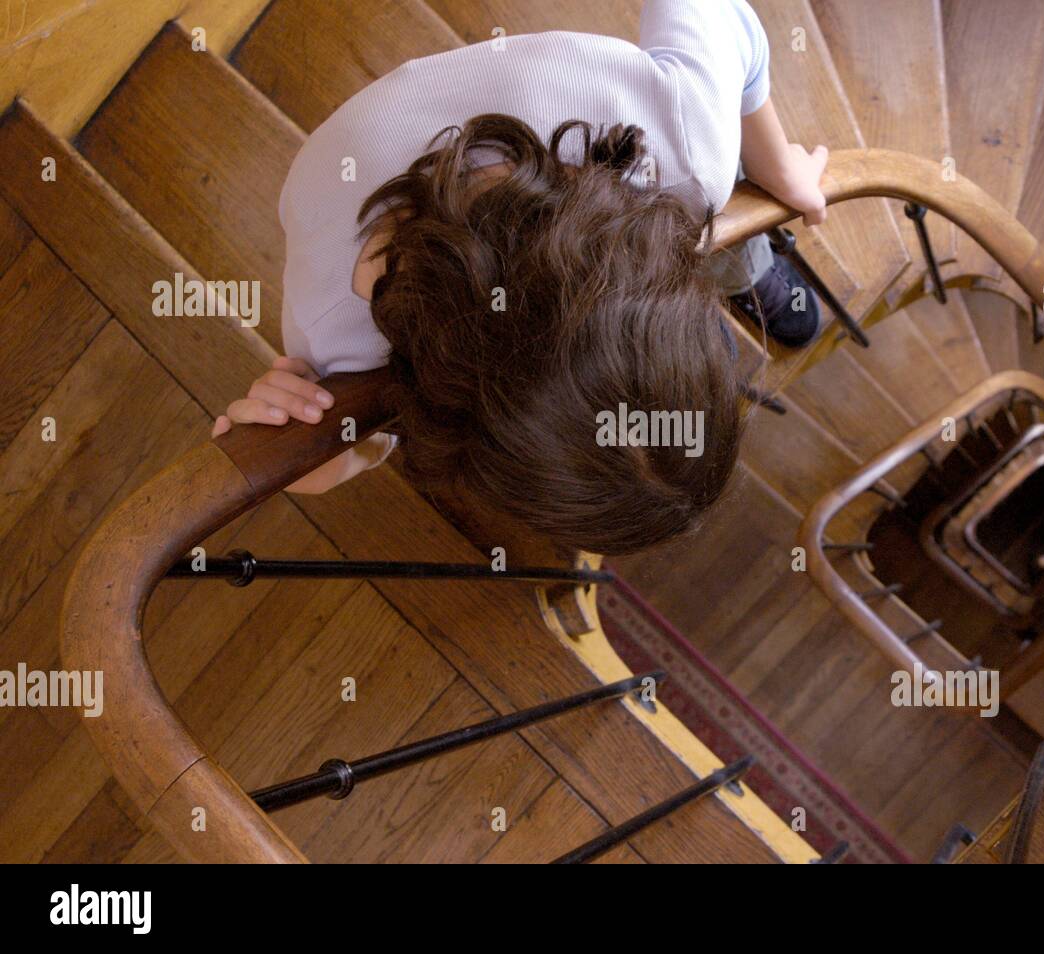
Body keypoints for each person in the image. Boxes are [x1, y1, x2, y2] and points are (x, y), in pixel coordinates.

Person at [212, 0, 829, 555]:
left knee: (708, 212)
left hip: (484, 124)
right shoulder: (334, 334)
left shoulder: (683, 144)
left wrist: (777, 171)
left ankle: (746, 268)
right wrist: (343, 460)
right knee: (709, 218)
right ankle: (746, 270)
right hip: (352, 150)